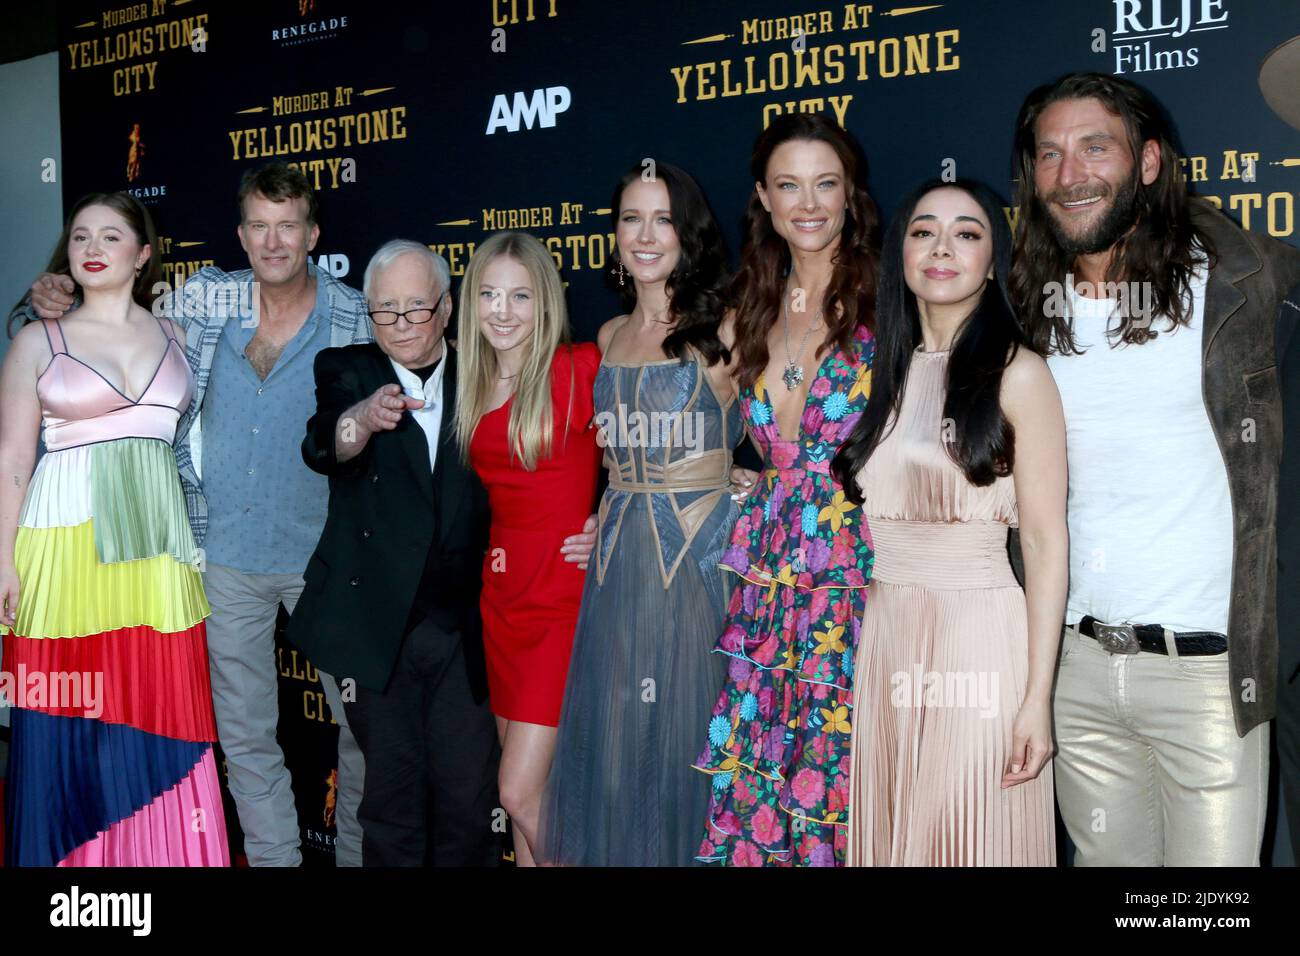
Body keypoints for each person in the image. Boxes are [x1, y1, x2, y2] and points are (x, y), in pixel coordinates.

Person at [19, 162, 368, 866]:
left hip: (328, 559)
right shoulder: (207, 299)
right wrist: (42, 304)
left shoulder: (354, 312)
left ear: (313, 233)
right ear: (241, 235)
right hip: (221, 556)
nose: (273, 242)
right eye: (259, 227)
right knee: (243, 735)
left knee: (362, 731)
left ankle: (358, 858)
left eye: (288, 226)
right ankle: (274, 860)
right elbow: (107, 319)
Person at [1011, 72, 1300, 865]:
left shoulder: (1241, 288)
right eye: (1050, 154)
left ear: (1147, 163)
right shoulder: (1024, 314)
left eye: (1095, 147)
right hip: (1075, 673)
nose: (1070, 174)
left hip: (1207, 678)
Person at [833, 179, 1067, 865]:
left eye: (967, 232)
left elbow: (1048, 542)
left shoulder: (1018, 373)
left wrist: (1036, 699)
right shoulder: (886, 372)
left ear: (993, 261)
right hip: (889, 636)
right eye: (923, 230)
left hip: (978, 639)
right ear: (900, 254)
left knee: (967, 832)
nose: (942, 246)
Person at [0, 193, 228, 865]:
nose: (91, 247)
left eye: (109, 235)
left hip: (156, 554)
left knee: (161, 718)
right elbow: (12, 461)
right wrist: (3, 563)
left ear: (144, 253)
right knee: (66, 716)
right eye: (79, 237)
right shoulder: (38, 338)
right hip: (62, 545)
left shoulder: (179, 336)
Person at [536, 162, 741, 866]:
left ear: (689, 233)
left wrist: (745, 483)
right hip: (618, 565)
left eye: (662, 219)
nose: (646, 235)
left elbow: (789, 437)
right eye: (631, 219)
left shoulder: (730, 326)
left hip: (697, 562)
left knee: (689, 741)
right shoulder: (610, 331)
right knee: (621, 746)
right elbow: (612, 453)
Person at [692, 113, 878, 867]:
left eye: (825, 183)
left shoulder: (890, 302)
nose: (808, 203)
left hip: (861, 576)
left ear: (850, 195)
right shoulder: (745, 316)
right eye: (789, 185)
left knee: (849, 770)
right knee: (764, 769)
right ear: (763, 199)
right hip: (770, 583)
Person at [287, 241, 502, 865]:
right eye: (385, 311)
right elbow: (325, 444)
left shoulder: (487, 372)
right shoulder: (347, 368)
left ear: (446, 306)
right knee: (390, 800)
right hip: (376, 625)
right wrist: (363, 417)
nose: (401, 326)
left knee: (469, 799)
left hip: (466, 628)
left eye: (416, 309)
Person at [455, 231, 603, 866]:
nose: (502, 310)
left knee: (516, 792)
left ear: (545, 303)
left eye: (519, 296)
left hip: (561, 602)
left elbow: (654, 449)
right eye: (488, 294)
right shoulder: (468, 379)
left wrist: (609, 516)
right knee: (531, 797)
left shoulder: (578, 369)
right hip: (502, 603)